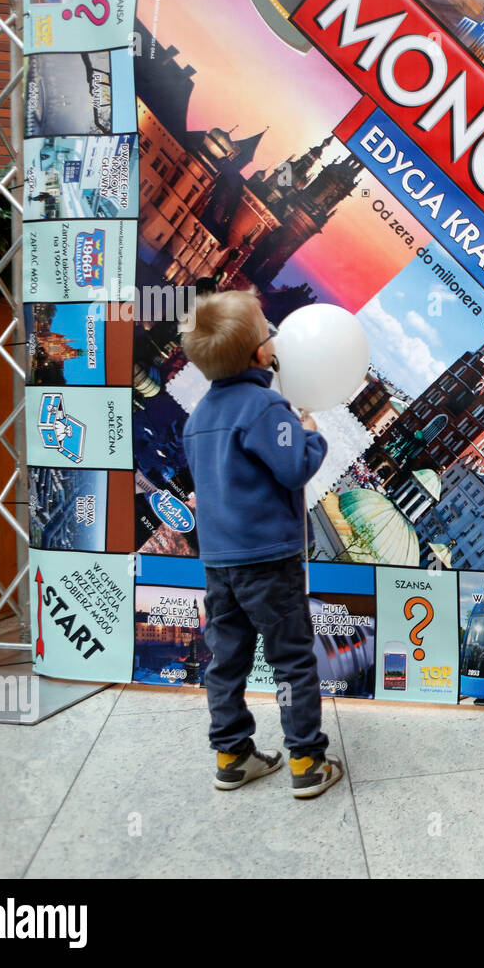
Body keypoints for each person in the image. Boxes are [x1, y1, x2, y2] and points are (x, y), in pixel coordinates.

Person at [181, 289, 343, 799]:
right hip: (269, 563)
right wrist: (310, 433)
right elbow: (294, 467)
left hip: (219, 565)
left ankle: (231, 756)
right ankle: (306, 763)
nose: (275, 336)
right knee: (291, 659)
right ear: (260, 355)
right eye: (269, 331)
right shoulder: (267, 406)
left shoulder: (197, 418)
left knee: (224, 659)